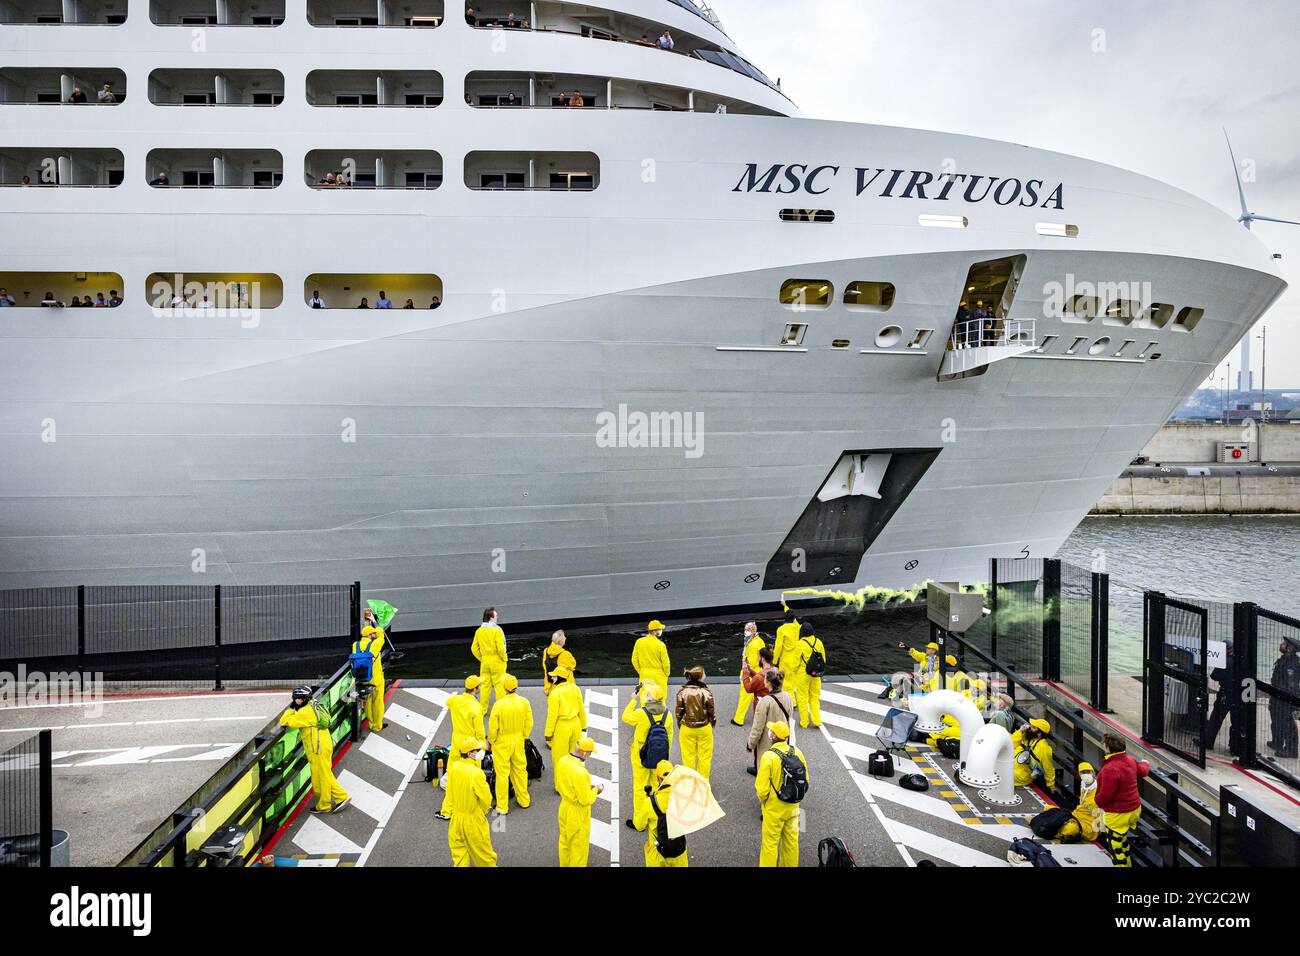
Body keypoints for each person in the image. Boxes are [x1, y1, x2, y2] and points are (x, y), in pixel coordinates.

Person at [278, 685, 351, 814]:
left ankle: (342, 797)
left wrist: (291, 709)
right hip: (324, 743)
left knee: (323, 775)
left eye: (295, 698)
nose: (294, 700)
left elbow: (284, 721)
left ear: (301, 699)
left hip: (317, 748)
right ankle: (324, 805)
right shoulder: (314, 704)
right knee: (320, 775)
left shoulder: (305, 713)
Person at [623, 683, 674, 831]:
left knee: (639, 787)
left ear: (650, 698)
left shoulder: (641, 713)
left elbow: (625, 717)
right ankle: (656, 812)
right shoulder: (667, 714)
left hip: (641, 755)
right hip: (659, 756)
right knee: (655, 783)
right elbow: (669, 736)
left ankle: (639, 821)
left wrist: (633, 700)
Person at [756, 721, 807, 867]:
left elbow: (762, 788)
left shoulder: (768, 756)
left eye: (771, 731)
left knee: (770, 844)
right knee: (791, 842)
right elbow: (806, 779)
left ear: (773, 736)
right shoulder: (797, 752)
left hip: (774, 808)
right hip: (793, 807)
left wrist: (764, 802)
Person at [1095, 733, 1150, 867]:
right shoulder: (1130, 760)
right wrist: (1145, 763)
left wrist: (1096, 800)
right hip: (1134, 809)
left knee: (1116, 848)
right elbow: (1143, 771)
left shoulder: (1110, 769)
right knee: (1122, 840)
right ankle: (1128, 864)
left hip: (1117, 814)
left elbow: (1104, 797)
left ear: (1107, 747)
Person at [437, 675, 485, 819]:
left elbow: (448, 701)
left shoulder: (455, 701)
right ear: (475, 689)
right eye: (479, 686)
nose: (480, 688)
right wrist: (481, 747)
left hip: (457, 742)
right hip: (471, 744)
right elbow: (480, 732)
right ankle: (479, 807)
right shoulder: (476, 707)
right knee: (475, 777)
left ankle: (446, 811)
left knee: (452, 776)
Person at [445, 736, 497, 867]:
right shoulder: (476, 773)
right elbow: (486, 798)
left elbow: (449, 792)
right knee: (484, 856)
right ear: (470, 753)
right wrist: (482, 812)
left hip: (456, 819)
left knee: (459, 857)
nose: (481, 751)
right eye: (478, 750)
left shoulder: (454, 767)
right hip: (473, 820)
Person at [487, 673, 532, 814]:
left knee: (502, 774)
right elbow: (529, 722)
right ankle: (524, 800)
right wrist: (524, 735)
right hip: (518, 739)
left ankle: (502, 806)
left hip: (502, 742)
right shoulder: (524, 702)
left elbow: (493, 727)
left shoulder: (499, 705)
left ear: (504, 688)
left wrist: (492, 740)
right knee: (520, 770)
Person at [556, 736, 602, 866]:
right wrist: (596, 790)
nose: (590, 755)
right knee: (579, 848)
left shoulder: (563, 760)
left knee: (564, 842)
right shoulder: (581, 772)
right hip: (577, 813)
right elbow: (585, 800)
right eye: (590, 752)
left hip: (564, 806)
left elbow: (564, 783)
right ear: (584, 752)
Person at [544, 665, 587, 791]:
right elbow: (581, 708)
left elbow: (552, 716)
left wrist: (548, 733)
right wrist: (584, 725)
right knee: (575, 756)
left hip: (562, 726)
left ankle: (560, 787)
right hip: (576, 724)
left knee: (560, 758)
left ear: (558, 678)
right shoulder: (575, 688)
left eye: (553, 676)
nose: (552, 678)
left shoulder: (555, 693)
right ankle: (574, 783)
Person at [747, 668, 793, 776]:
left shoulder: (764, 701)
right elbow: (790, 716)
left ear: (768, 683)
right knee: (779, 770)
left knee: (766, 774)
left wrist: (751, 744)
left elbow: (757, 728)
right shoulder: (787, 696)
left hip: (768, 742)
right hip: (783, 739)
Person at [644, 760, 688, 867]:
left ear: (658, 778)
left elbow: (639, 825)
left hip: (657, 853)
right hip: (679, 850)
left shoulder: (650, 802)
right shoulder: (683, 797)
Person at [675, 666, 715, 780]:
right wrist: (712, 723)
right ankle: (703, 783)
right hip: (704, 728)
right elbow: (711, 711)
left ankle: (689, 784)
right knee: (705, 757)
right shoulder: (706, 692)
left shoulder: (682, 692)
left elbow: (679, 712)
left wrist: (680, 724)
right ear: (701, 677)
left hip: (687, 728)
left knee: (688, 757)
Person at [352, 607, 386, 732]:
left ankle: (370, 722)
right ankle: (377, 725)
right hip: (376, 678)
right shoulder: (375, 644)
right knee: (378, 702)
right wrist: (374, 621)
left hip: (362, 678)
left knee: (368, 701)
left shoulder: (355, 645)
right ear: (370, 635)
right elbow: (381, 634)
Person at [471, 607, 509, 715]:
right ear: (491, 617)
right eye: (496, 616)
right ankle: (500, 710)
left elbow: (473, 648)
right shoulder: (497, 630)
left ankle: (483, 710)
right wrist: (504, 658)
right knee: (499, 686)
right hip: (497, 661)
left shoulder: (479, 631)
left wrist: (482, 658)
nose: (497, 617)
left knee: (485, 686)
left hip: (485, 662)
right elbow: (501, 648)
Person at [1205, 640, 1238, 756]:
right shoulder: (1239, 661)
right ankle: (1235, 747)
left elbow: (1214, 676)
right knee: (1236, 722)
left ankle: (1208, 741)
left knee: (1216, 718)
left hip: (1225, 694)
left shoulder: (1225, 661)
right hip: (1238, 695)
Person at [1268, 637, 1300, 758]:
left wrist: (1286, 701)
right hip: (1277, 695)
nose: (1281, 644)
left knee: (1287, 723)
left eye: (1284, 644)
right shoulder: (1284, 659)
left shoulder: (1292, 663)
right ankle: (1277, 742)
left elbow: (1290, 685)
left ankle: (1291, 751)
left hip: (1285, 698)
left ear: (1290, 648)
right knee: (1276, 719)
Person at [732, 621, 765, 726]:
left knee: (744, 696)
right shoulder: (759, 641)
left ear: (752, 631)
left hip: (751, 673)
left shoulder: (752, 645)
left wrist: (744, 673)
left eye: (747, 630)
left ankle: (738, 719)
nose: (745, 632)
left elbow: (749, 662)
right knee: (760, 696)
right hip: (759, 672)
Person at [773, 609, 804, 716]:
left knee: (785, 682)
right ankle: (795, 702)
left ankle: (791, 703)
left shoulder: (781, 629)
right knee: (793, 681)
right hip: (796, 658)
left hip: (786, 659)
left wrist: (774, 660)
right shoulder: (798, 627)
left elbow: (778, 646)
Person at [1011, 718, 1056, 792]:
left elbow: (1048, 768)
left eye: (1033, 727)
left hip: (1020, 776)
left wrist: (1051, 785)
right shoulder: (1027, 736)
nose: (1030, 727)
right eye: (1031, 725)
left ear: (1039, 733)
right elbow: (1011, 744)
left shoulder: (1044, 748)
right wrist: (1020, 731)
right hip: (1012, 765)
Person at [794, 628, 826, 728]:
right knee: (815, 697)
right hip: (815, 674)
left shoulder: (800, 644)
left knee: (802, 698)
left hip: (803, 674)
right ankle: (817, 721)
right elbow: (823, 659)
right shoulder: (819, 642)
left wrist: (794, 671)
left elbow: (795, 662)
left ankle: (804, 722)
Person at [631, 619, 670, 697]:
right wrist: (666, 674)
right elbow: (666, 664)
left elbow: (634, 660)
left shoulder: (639, 642)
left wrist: (641, 671)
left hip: (644, 675)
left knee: (645, 700)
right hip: (659, 676)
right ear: (655, 631)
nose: (661, 630)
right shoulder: (660, 645)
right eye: (660, 629)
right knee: (660, 700)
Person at [1072, 761, 1104, 842]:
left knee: (1071, 828)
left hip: (1091, 826)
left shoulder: (1099, 789)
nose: (1086, 774)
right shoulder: (1083, 785)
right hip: (1079, 816)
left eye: (1088, 772)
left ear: (1093, 773)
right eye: (1083, 772)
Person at [542, 629, 576, 696]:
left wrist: (546, 687)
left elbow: (545, 669)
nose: (565, 638)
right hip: (566, 688)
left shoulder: (546, 652)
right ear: (560, 641)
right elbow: (573, 665)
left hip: (552, 687)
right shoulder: (565, 654)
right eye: (564, 637)